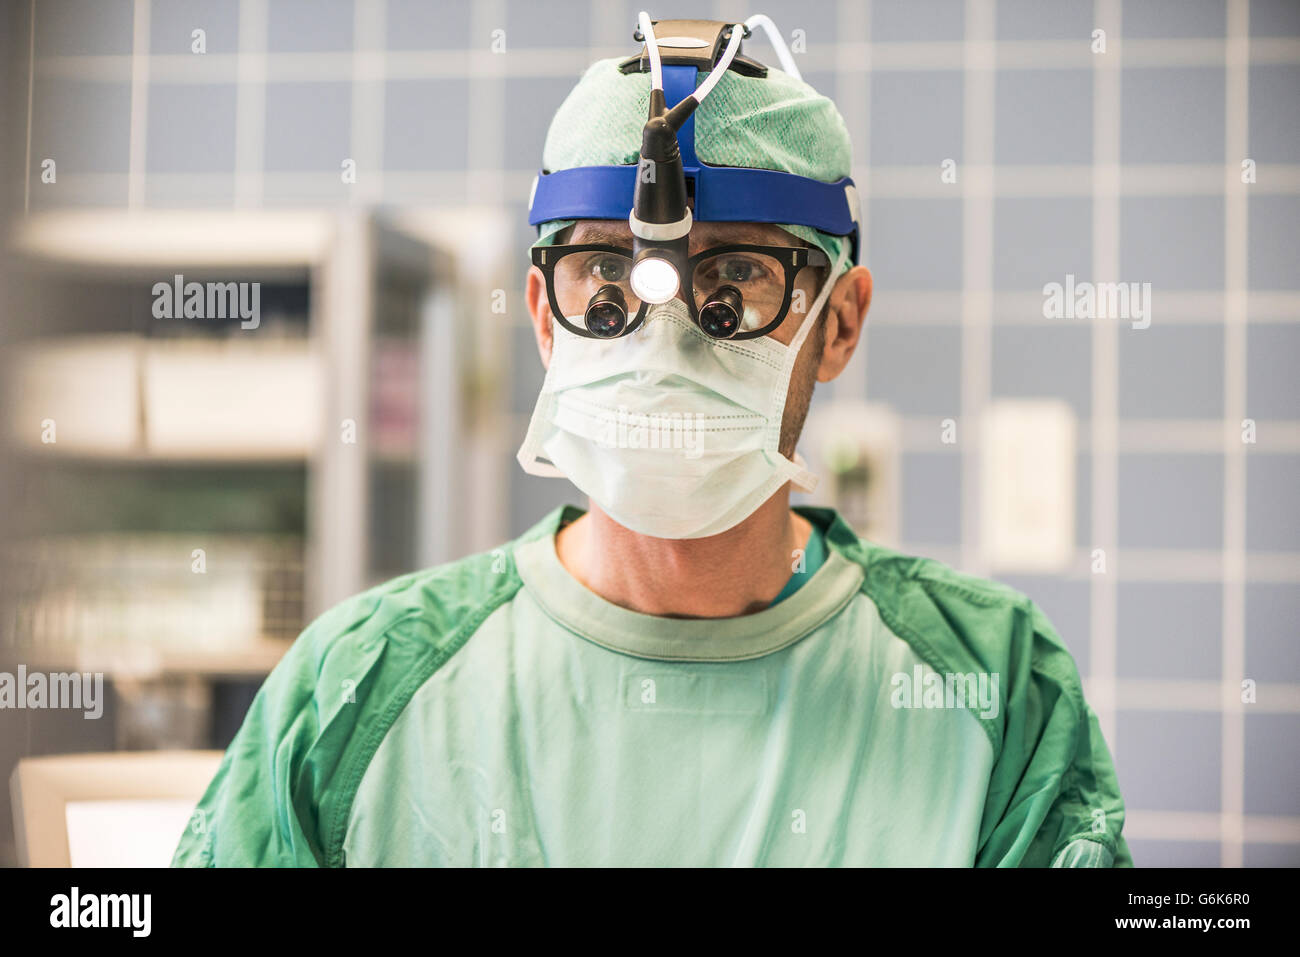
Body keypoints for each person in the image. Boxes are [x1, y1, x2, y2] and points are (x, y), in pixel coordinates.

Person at [173, 15, 1130, 868]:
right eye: (603, 275)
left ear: (839, 323)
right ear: (546, 317)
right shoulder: (356, 689)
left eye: (739, 279)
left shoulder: (991, 689)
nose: (659, 331)